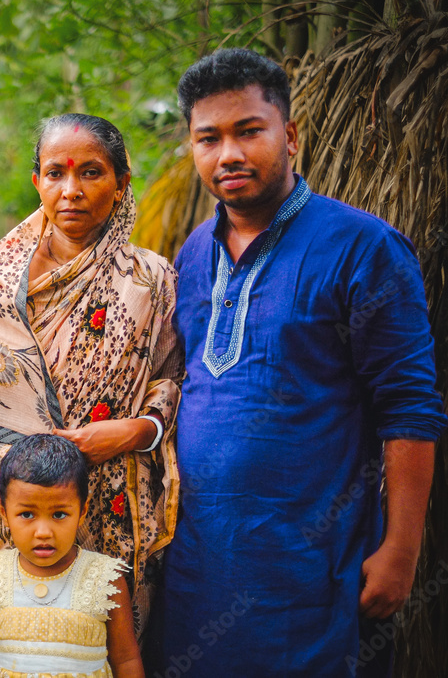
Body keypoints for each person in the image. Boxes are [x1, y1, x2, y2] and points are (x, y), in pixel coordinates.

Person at [154, 48, 447, 677]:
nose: (228, 153)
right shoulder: (192, 254)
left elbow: (410, 406)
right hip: (199, 570)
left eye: (249, 131)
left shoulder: (363, 248)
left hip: (312, 572)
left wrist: (400, 548)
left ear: (291, 135)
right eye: (209, 138)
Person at [0, 113, 183, 675]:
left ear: (122, 182)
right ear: (37, 182)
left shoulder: (151, 279)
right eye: (55, 173)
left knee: (101, 652)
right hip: (2, 506)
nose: (71, 190)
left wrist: (134, 430)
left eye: (91, 172)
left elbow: (172, 380)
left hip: (107, 495)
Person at [0, 434, 144, 678]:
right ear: (4, 512)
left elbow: (126, 659)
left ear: (82, 511)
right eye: (27, 514)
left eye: (59, 515)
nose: (43, 533)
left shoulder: (105, 579)